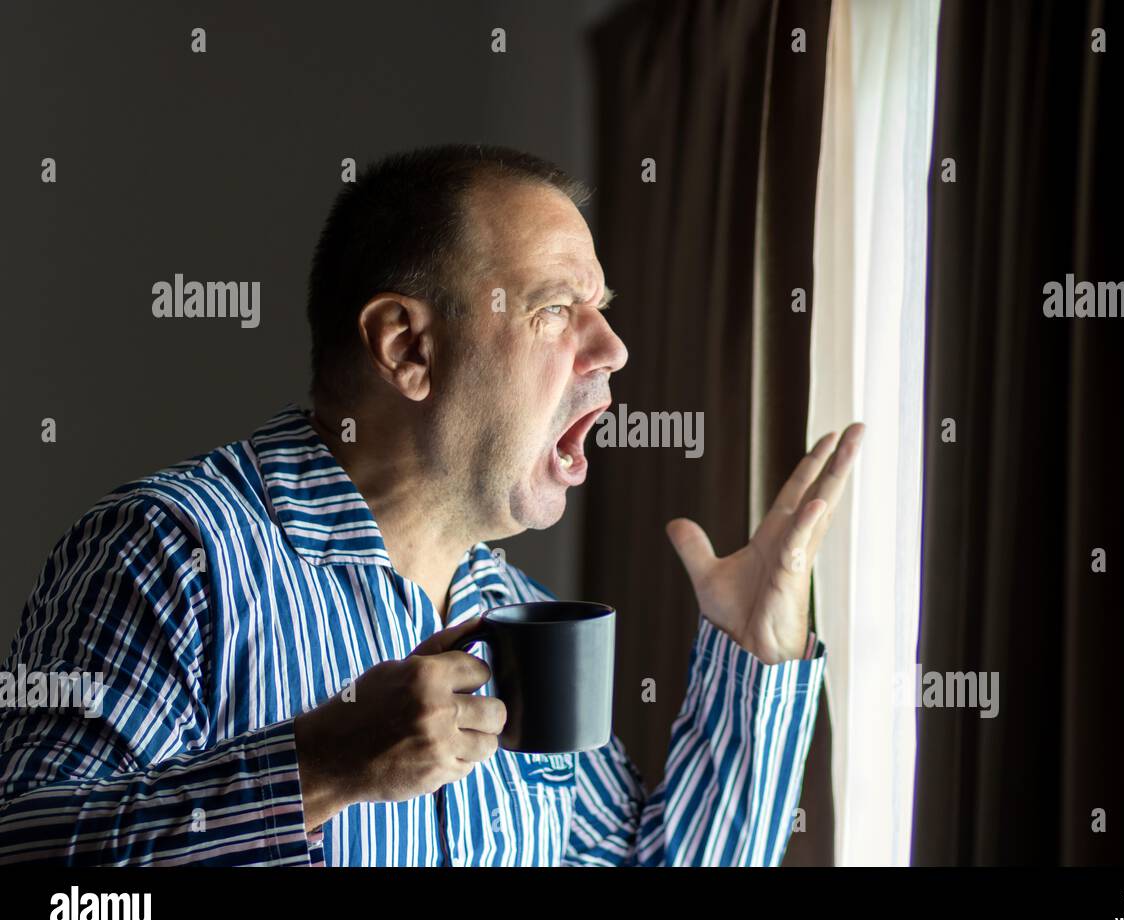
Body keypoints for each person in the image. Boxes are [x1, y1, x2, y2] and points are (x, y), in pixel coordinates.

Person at [0, 145, 862, 866]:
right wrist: (321, 766)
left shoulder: (509, 609)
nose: (613, 347)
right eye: (556, 309)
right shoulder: (176, 552)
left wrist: (756, 657)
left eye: (600, 310)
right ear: (408, 347)